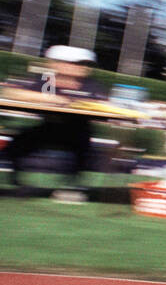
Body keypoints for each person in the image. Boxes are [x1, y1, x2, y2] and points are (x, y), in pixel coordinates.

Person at [2, 45, 106, 199]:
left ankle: (73, 187)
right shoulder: (48, 80)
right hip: (49, 128)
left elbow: (103, 104)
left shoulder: (89, 84)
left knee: (86, 147)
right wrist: (54, 99)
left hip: (77, 130)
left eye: (83, 64)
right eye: (75, 63)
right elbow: (13, 92)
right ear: (57, 64)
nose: (81, 68)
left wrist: (71, 102)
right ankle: (19, 184)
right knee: (16, 143)